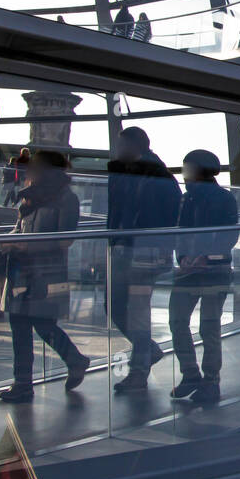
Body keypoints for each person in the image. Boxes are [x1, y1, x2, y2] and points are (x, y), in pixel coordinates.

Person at [0, 151, 90, 403]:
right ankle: (23, 383)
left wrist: (27, 246)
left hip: (45, 272)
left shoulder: (67, 199)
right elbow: (20, 228)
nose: (29, 173)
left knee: (42, 323)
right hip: (21, 270)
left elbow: (65, 240)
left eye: (35, 168)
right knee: (20, 324)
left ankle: (74, 360)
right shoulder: (31, 197)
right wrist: (7, 241)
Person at [106, 127, 180, 392]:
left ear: (133, 146)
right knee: (115, 307)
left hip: (143, 252)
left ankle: (139, 371)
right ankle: (146, 351)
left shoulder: (158, 177)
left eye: (120, 144)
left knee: (136, 311)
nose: (116, 150)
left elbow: (171, 216)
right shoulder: (125, 175)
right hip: (126, 249)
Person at [167, 150, 239, 406]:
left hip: (208, 270)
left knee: (196, 324)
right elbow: (226, 236)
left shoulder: (206, 199)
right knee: (196, 324)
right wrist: (188, 258)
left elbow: (229, 235)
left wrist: (196, 258)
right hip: (205, 269)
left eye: (187, 169)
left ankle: (204, 379)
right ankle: (201, 379)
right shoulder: (202, 199)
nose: (184, 174)